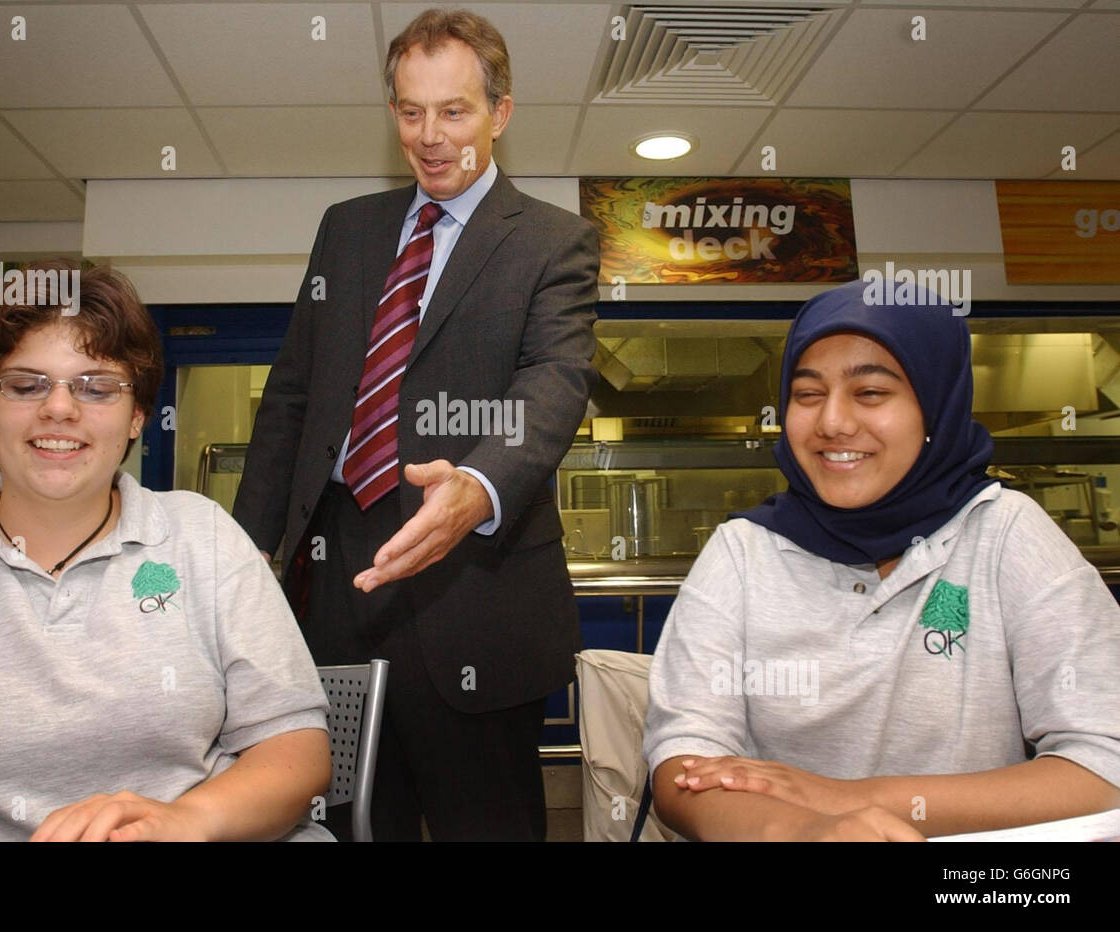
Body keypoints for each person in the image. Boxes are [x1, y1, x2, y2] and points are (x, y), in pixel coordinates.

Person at [232, 8, 599, 841]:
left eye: (454, 111)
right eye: (409, 111)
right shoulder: (347, 230)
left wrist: (478, 483)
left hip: (474, 581)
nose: (430, 136)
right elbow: (290, 396)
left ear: (500, 113)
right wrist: (249, 549)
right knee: (347, 824)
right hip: (333, 584)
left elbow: (555, 380)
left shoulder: (553, 243)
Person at [0, 260, 332, 842]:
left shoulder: (204, 537)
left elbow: (298, 751)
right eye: (25, 384)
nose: (60, 408)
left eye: (97, 386)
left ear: (137, 414)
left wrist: (183, 822)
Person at [644, 279, 1120, 841]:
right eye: (808, 393)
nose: (833, 423)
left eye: (870, 393)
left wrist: (854, 800)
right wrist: (801, 833)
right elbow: (684, 763)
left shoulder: (1005, 535)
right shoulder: (744, 551)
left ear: (935, 407)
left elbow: (1104, 767)